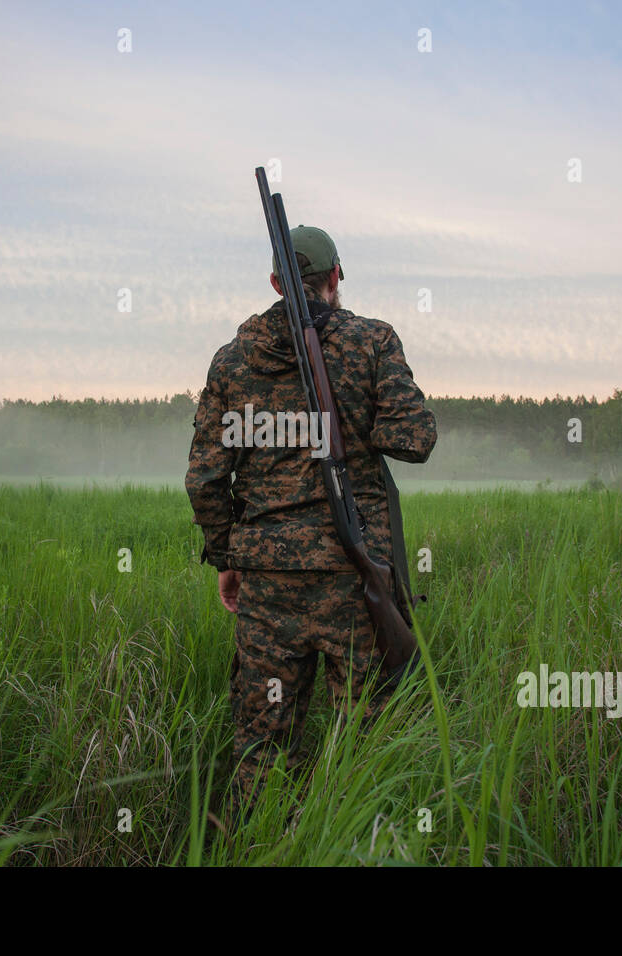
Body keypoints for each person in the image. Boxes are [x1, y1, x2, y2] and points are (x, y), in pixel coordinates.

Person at [185, 224, 437, 813]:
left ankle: (258, 840)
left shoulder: (232, 360)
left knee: (262, 743)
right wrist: (352, 421)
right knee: (369, 740)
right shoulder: (372, 342)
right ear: (337, 277)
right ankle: (363, 842)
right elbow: (414, 438)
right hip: (354, 573)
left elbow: (204, 478)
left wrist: (228, 558)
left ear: (276, 282)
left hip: (267, 580)